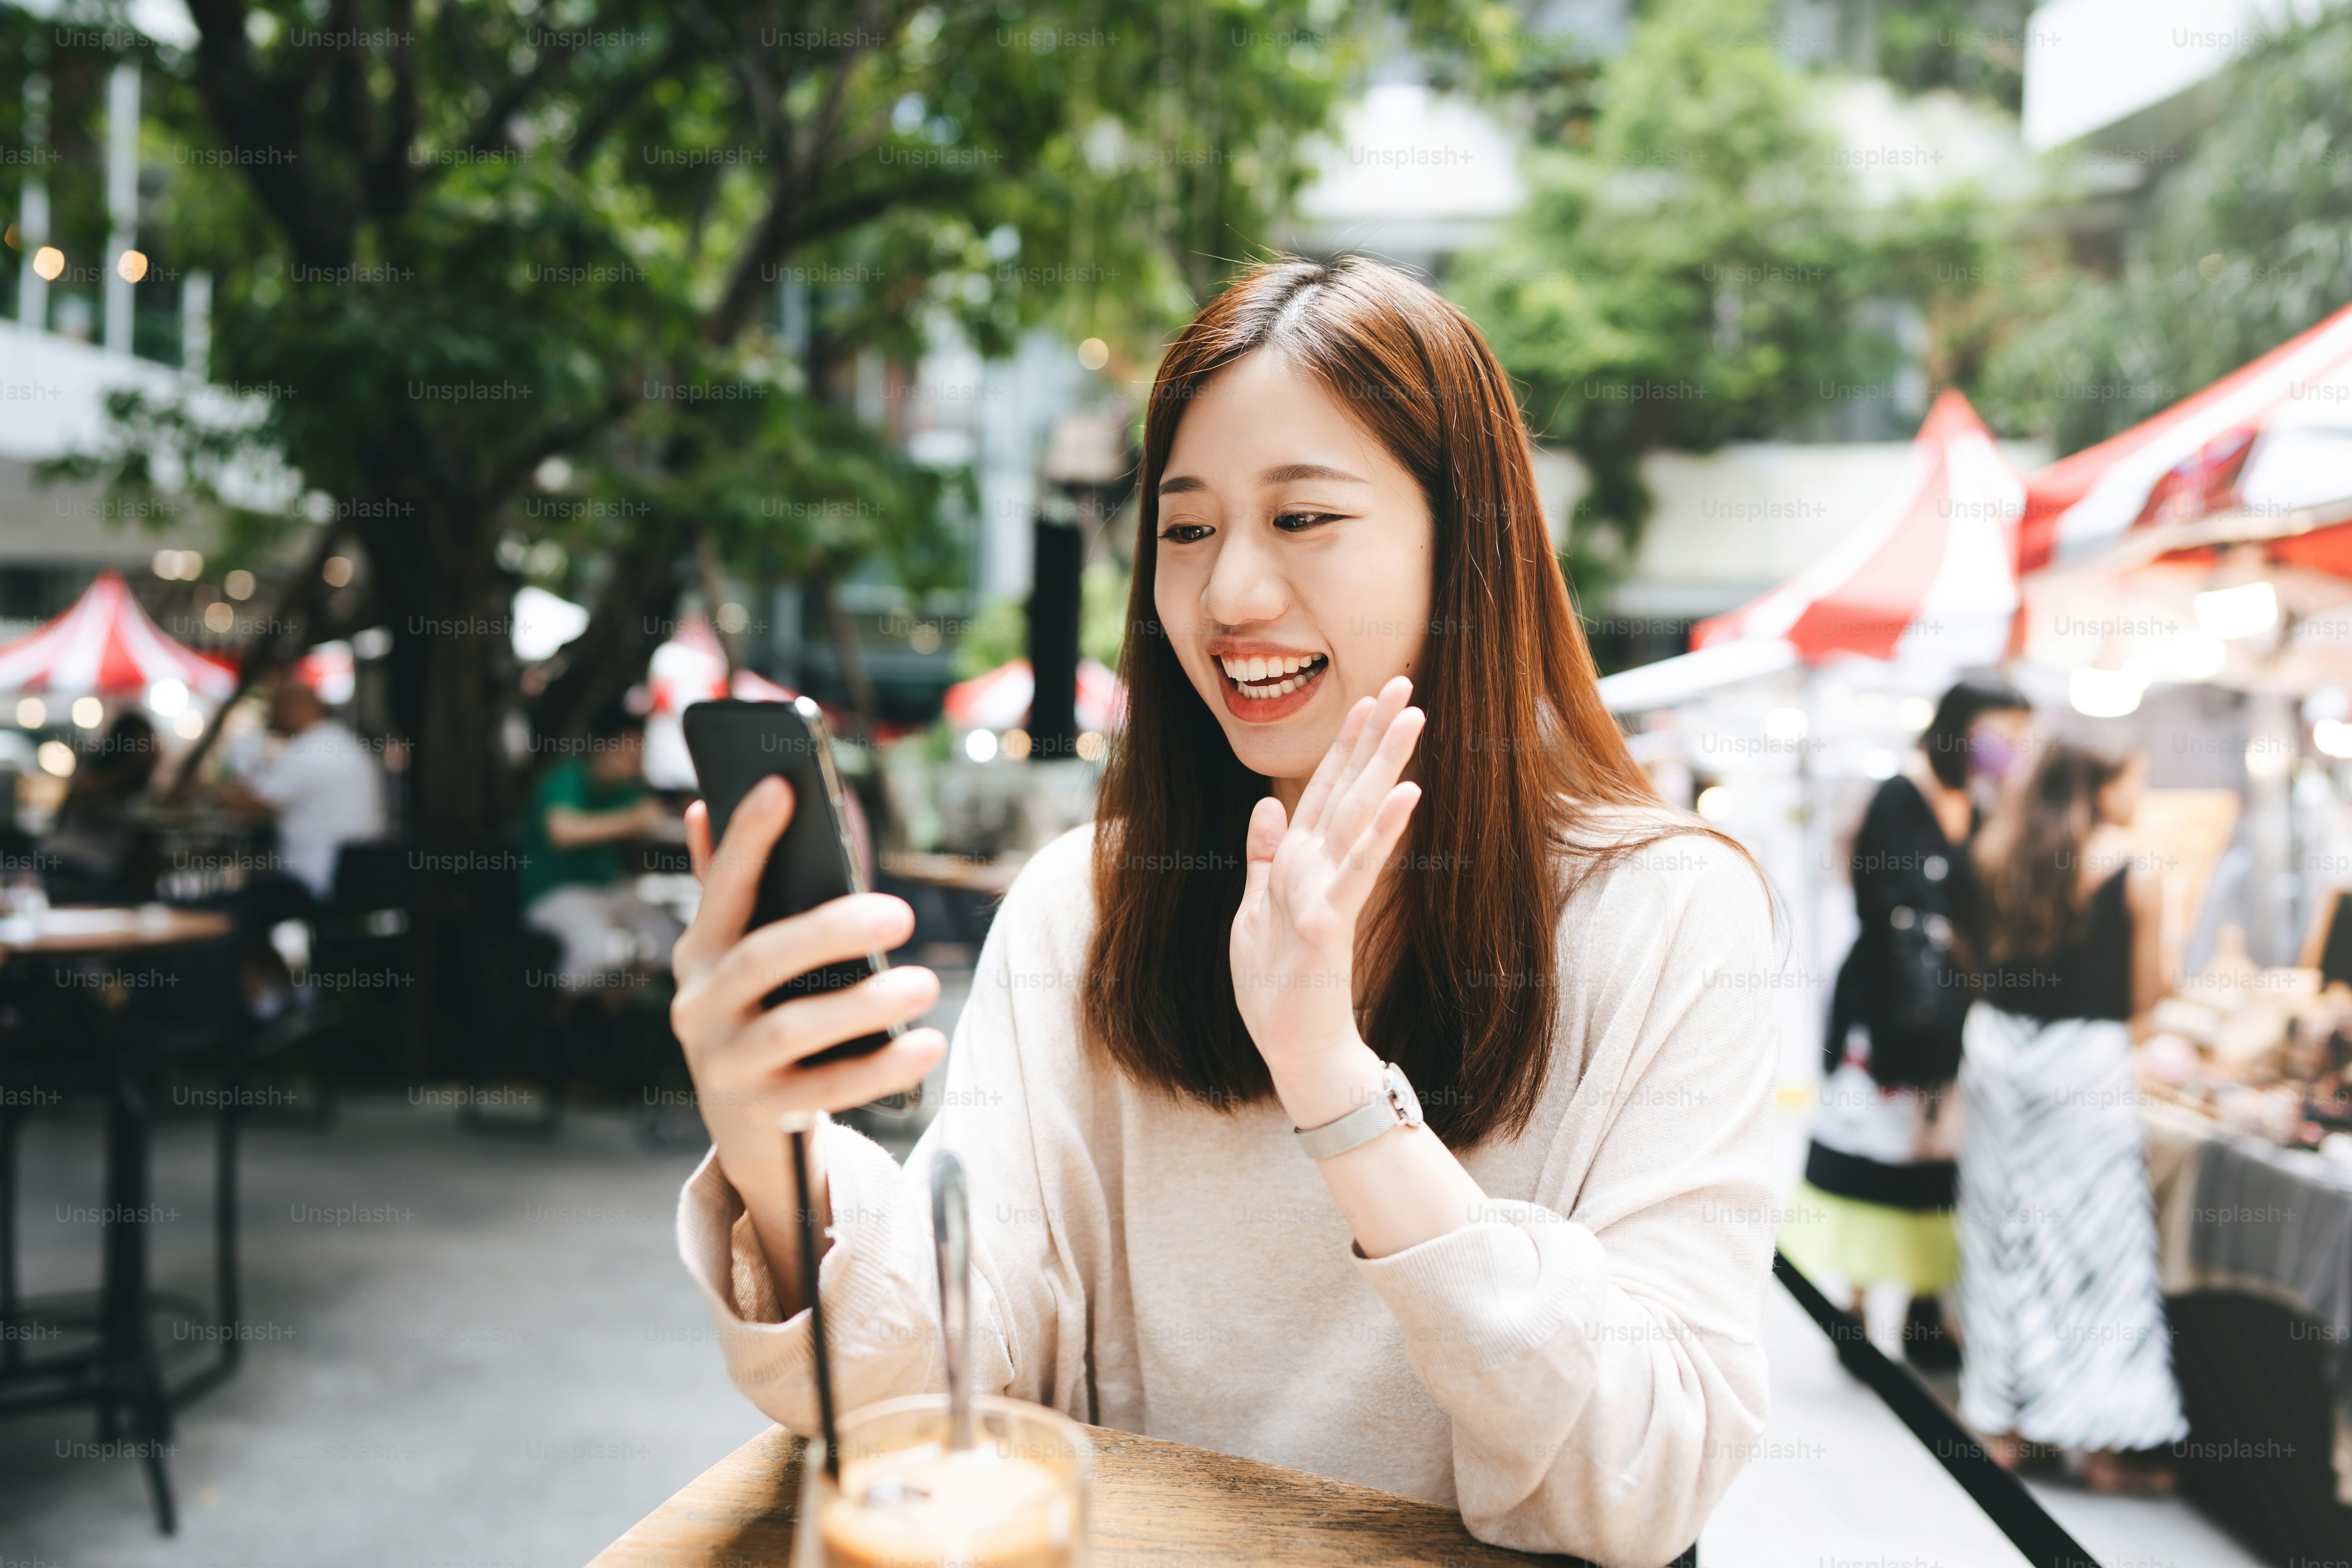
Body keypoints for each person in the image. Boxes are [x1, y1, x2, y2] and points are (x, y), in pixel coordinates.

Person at [665, 258, 1781, 1566]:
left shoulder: (1665, 913)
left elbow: (1641, 1486)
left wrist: (1332, 1079)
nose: (1229, 594)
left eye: (1304, 518)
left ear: (1465, 541)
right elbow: (952, 1380)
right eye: (1186, 530)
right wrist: (772, 1150)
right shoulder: (1084, 907)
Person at [1779, 678, 2031, 1364]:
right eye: (1998, 738)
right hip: (1888, 1012)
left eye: (2016, 741)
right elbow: (1885, 908)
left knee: (1936, 1158)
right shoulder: (1899, 796)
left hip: (1949, 1019)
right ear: (1960, 729)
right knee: (1873, 1149)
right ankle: (1856, 1307)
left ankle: (1925, 1308)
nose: (2007, 753)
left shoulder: (1979, 807)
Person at [1958, 741, 2185, 1492]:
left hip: (1998, 1050)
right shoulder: (2137, 866)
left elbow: (1969, 955)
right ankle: (2099, 1439)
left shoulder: (1995, 852)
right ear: (2102, 785)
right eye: (2135, 777)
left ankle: (2002, 1424)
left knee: (2001, 1235)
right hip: (2084, 1063)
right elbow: (2148, 992)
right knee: (2095, 1246)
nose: (2140, 793)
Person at [515, 708, 680, 988]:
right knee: (601, 952)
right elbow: (562, 833)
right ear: (602, 747)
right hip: (556, 892)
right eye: (629, 748)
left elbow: (653, 828)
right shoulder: (568, 778)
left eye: (640, 750)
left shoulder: (626, 790)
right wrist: (633, 821)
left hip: (607, 889)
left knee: (668, 939)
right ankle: (559, 1015)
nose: (636, 758)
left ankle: (611, 1012)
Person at [216, 675, 386, 904]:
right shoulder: (345, 742)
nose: (272, 719)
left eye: (275, 710)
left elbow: (255, 804)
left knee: (237, 903)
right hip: (361, 881)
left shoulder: (308, 749)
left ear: (291, 708)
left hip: (315, 880)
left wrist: (207, 793)